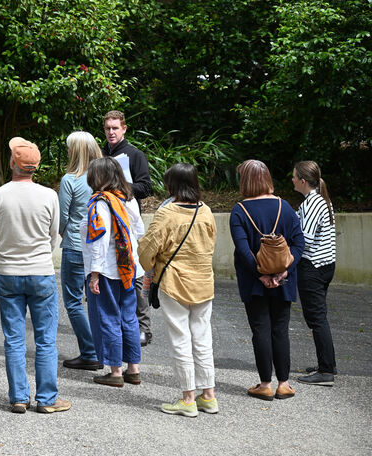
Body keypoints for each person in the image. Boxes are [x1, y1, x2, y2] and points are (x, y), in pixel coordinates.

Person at [0, 137, 70, 415]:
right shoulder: (49, 196)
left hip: (8, 271)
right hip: (40, 271)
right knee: (45, 339)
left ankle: (19, 397)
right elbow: (53, 235)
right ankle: (47, 399)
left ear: (13, 163)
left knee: (13, 338)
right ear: (36, 167)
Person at [138, 163, 218, 417]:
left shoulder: (167, 213)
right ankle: (209, 397)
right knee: (203, 339)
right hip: (204, 283)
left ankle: (187, 399)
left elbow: (147, 250)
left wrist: (150, 265)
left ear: (172, 185)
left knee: (181, 339)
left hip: (174, 284)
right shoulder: (206, 211)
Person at [230, 159, 305, 401]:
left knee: (260, 329)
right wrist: (284, 272)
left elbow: (243, 251)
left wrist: (261, 274)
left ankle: (265, 384)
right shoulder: (285, 207)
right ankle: (284, 383)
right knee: (280, 329)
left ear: (246, 181)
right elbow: (299, 244)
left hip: (254, 282)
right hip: (284, 280)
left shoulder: (239, 211)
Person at [80, 157, 142, 389]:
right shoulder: (128, 199)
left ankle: (115, 371)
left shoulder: (100, 202)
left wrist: (94, 274)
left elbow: (99, 239)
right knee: (129, 317)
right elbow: (139, 231)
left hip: (107, 269)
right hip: (129, 269)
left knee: (108, 317)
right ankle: (133, 369)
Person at [101, 110, 153, 346]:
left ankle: (143, 327)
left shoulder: (134, 154)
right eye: (107, 128)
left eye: (115, 128)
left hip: (129, 222)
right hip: (105, 220)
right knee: (111, 272)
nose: (111, 132)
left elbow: (146, 188)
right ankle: (119, 322)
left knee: (137, 273)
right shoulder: (101, 154)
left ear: (124, 129)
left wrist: (121, 185)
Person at [59, 131, 103, 371]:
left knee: (74, 302)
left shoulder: (70, 179)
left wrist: (62, 233)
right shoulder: (105, 178)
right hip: (100, 247)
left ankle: (89, 351)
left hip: (75, 245)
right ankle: (107, 351)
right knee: (98, 301)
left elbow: (62, 217)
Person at [292, 161, 337, 386]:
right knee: (321, 316)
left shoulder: (311, 204)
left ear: (302, 181)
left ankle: (326, 371)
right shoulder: (322, 200)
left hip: (313, 267)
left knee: (316, 319)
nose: (291, 180)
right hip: (326, 265)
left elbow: (306, 241)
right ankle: (327, 363)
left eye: (293, 177)